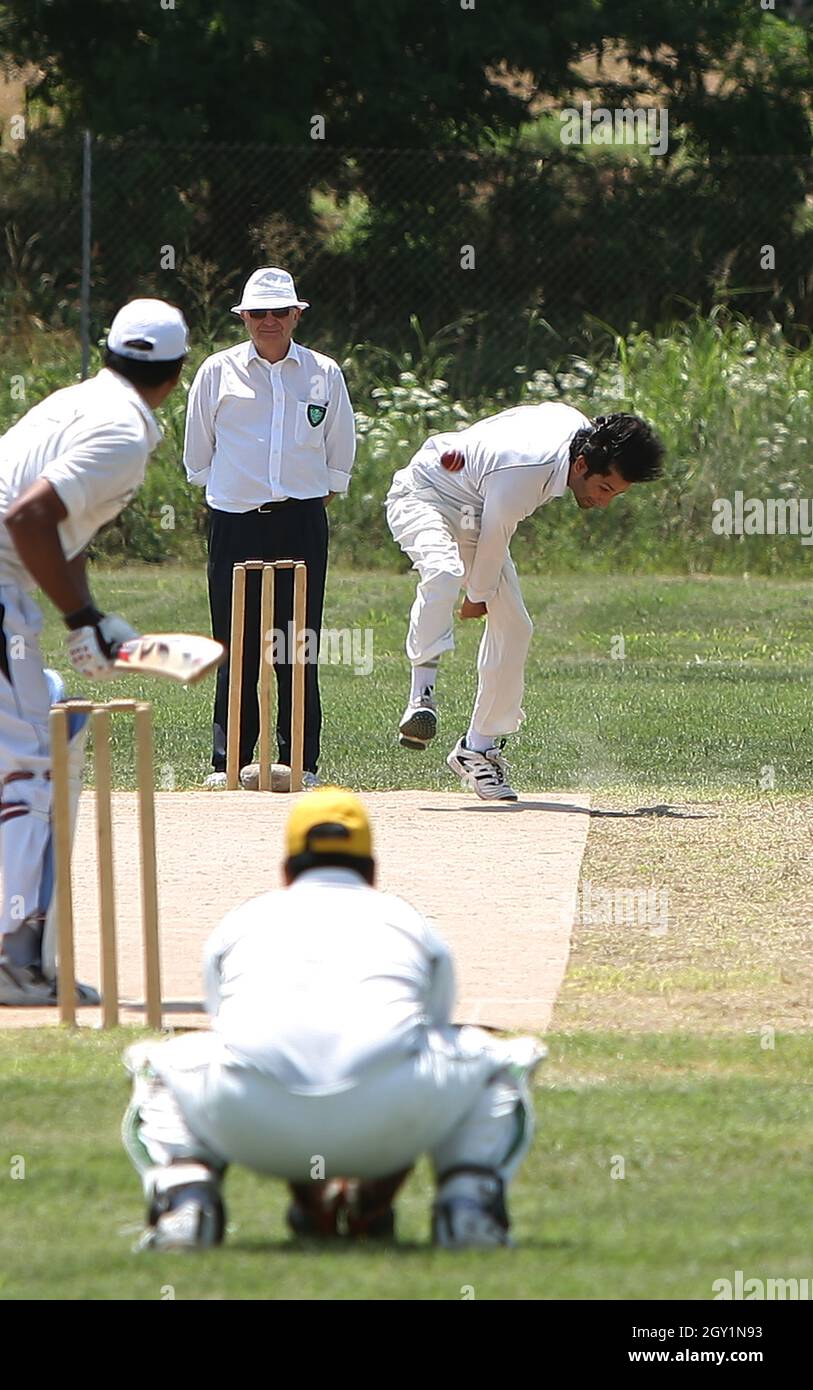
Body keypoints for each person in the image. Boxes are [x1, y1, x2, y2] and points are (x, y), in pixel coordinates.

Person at [0, 299, 188, 1006]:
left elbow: (56, 531)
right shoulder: (121, 431)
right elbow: (28, 519)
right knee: (37, 758)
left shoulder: (81, 399)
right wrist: (78, 616)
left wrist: (92, 618)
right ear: (174, 375)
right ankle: (23, 959)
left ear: (111, 352)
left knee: (17, 744)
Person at [122, 788, 546, 1250]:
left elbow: (246, 1038)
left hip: (249, 1121)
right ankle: (468, 1206)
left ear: (286, 870)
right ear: (372, 870)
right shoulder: (409, 921)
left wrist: (309, 1192)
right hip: (391, 1114)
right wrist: (375, 1193)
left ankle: (185, 1201)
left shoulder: (241, 922)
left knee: (157, 1065)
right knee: (498, 1061)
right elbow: (429, 1040)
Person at [385, 405, 664, 799]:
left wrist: (481, 595)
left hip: (475, 504)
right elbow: (495, 536)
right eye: (604, 489)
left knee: (515, 626)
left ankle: (476, 749)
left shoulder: (583, 434)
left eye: (615, 495)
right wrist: (476, 597)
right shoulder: (526, 473)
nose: (604, 503)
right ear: (582, 464)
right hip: (424, 493)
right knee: (444, 572)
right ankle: (421, 697)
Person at [182, 267, 356, 789]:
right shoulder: (217, 372)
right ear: (243, 317)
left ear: (297, 315)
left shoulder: (323, 372)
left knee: (297, 641)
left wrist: (300, 496)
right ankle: (229, 761)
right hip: (235, 523)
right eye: (258, 313)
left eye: (280, 312)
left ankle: (299, 760)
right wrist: (239, 494)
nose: (269, 322)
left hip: (300, 521)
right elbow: (199, 452)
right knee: (234, 642)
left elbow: (338, 450)